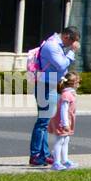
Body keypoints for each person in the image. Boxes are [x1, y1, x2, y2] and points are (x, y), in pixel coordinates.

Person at [29, 26, 80, 167]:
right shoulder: (52, 46)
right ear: (66, 37)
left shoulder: (56, 45)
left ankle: (44, 154)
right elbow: (61, 64)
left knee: (46, 122)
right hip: (44, 84)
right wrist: (72, 52)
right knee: (43, 122)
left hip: (49, 83)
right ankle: (36, 155)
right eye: (73, 41)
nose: (73, 45)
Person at [46, 71, 80, 170]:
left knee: (65, 140)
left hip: (66, 121)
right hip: (62, 122)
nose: (79, 84)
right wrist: (65, 123)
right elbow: (63, 110)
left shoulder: (70, 93)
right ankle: (56, 162)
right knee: (59, 141)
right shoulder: (66, 95)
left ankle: (65, 160)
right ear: (73, 83)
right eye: (78, 82)